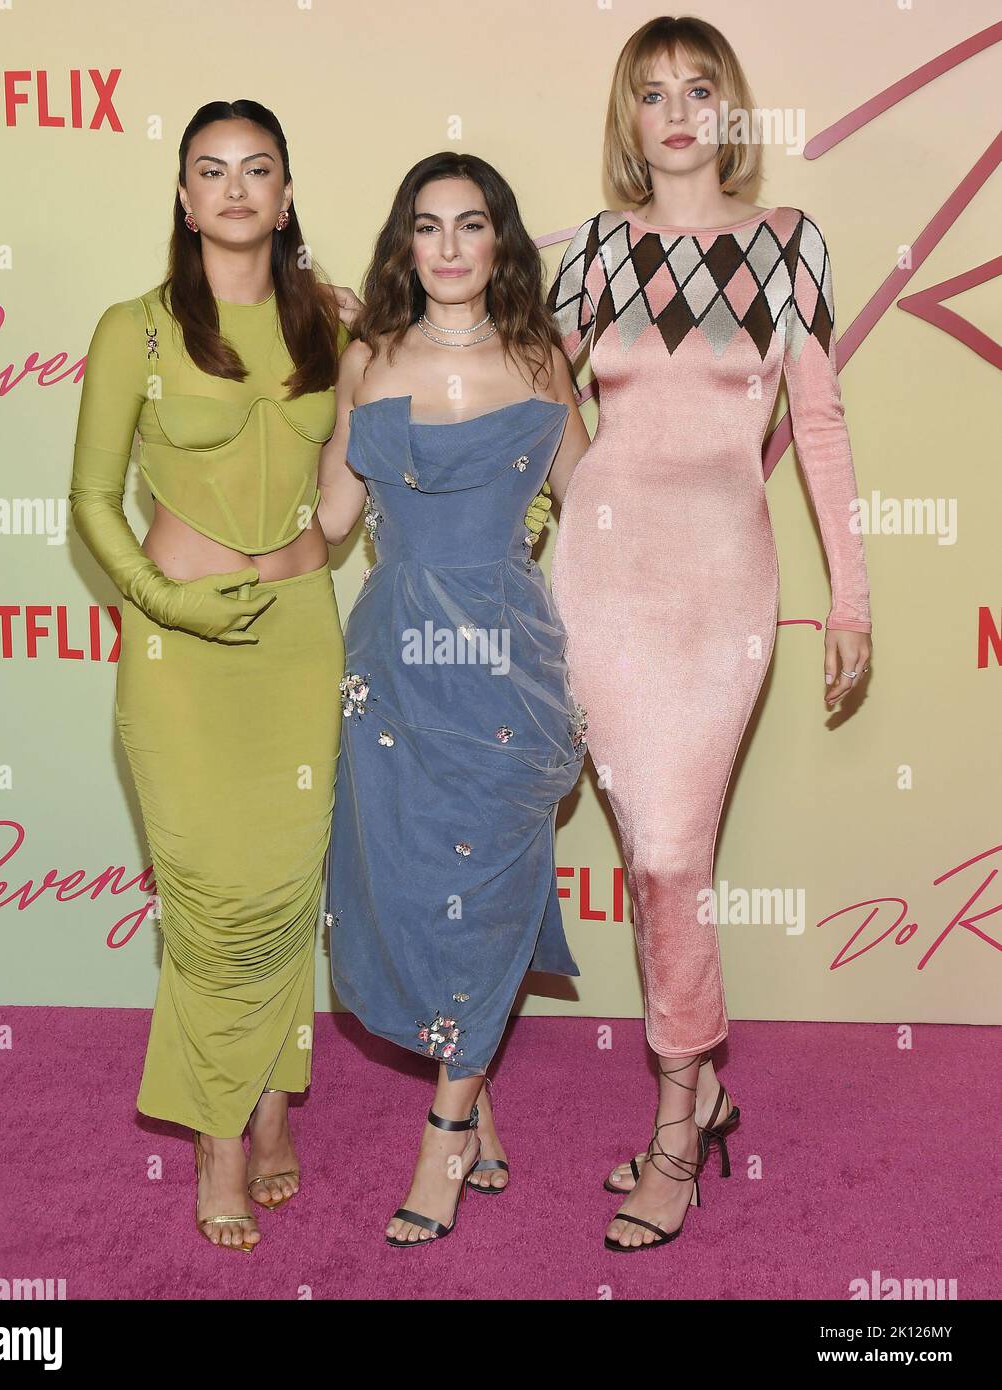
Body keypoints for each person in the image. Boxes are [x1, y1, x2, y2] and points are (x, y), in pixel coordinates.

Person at [544, 16, 873, 1249]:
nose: (676, 111)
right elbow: (534, 384)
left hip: (723, 583)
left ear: (727, 106)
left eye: (696, 88)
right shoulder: (590, 253)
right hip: (601, 581)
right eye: (650, 93)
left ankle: (677, 1125)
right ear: (625, 118)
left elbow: (821, 429)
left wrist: (849, 595)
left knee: (674, 855)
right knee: (646, 858)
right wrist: (568, 500)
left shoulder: (787, 245)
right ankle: (698, 1087)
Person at [68, 99, 357, 1252]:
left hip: (295, 639)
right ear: (184, 199)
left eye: (258, 169)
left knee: (285, 896)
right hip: (177, 649)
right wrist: (163, 599)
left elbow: (345, 496)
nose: (235, 188)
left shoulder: (332, 326)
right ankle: (219, 1139)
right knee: (207, 905)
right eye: (210, 171)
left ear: (285, 197)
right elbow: (91, 501)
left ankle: (274, 1103)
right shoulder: (130, 329)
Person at [316, 152, 590, 1246]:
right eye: (425, 226)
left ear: (497, 243)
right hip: (389, 660)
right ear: (404, 244)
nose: (445, 245)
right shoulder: (365, 359)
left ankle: (443, 1131)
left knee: (493, 877)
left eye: (468, 225)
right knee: (417, 880)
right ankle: (470, 1085)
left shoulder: (539, 357)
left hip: (507, 659)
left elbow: (595, 502)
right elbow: (333, 521)